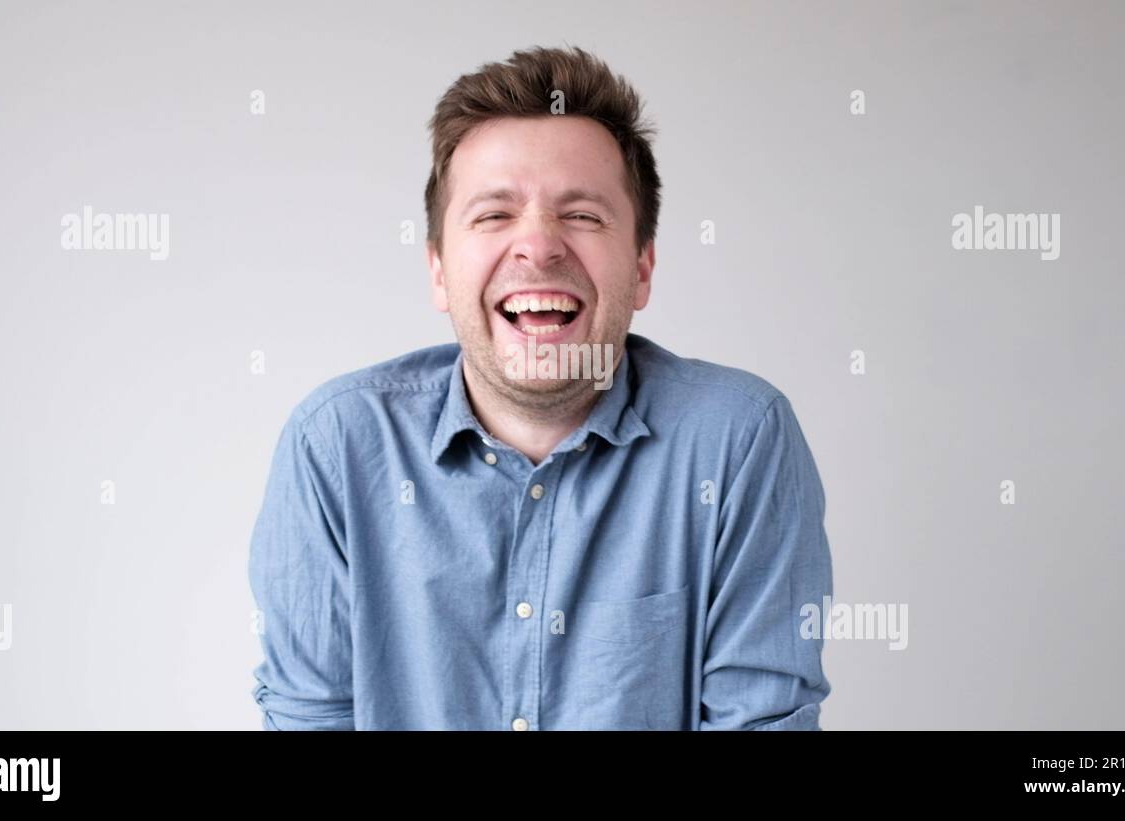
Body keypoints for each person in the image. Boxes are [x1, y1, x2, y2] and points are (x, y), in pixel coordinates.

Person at [249, 45, 832, 730]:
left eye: (582, 214)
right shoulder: (334, 448)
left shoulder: (739, 441)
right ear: (438, 267)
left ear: (642, 265)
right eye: (494, 214)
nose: (539, 246)